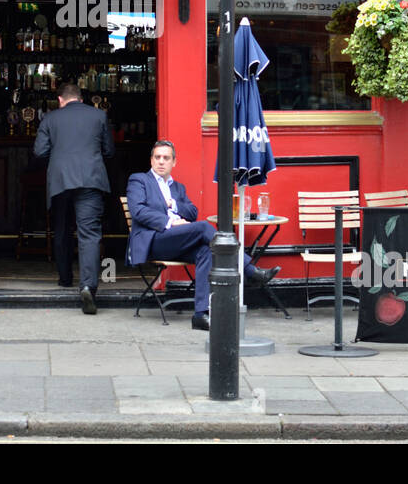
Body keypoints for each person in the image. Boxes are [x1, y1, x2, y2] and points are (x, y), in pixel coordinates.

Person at [126, 140, 279, 331]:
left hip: (175, 241)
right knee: (204, 228)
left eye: (166, 158)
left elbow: (191, 212)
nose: (161, 162)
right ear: (151, 160)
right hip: (153, 240)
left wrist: (173, 205)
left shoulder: (177, 188)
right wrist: (171, 221)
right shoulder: (139, 180)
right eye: (157, 157)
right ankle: (249, 269)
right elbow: (138, 211)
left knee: (206, 249)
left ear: (174, 162)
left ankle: (200, 315)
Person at [33, 81, 114, 314]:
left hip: (60, 181)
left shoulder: (50, 118)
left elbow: (39, 152)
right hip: (90, 179)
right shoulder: (98, 116)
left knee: (62, 229)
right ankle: (88, 286)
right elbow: (109, 150)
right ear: (81, 98)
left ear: (60, 100)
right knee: (89, 233)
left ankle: (65, 278)